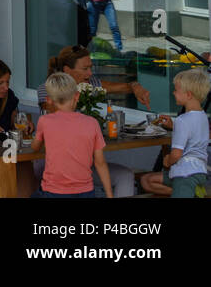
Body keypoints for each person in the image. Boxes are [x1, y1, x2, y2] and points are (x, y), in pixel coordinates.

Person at [37, 44, 149, 196]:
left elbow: (122, 87)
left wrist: (136, 86)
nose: (90, 73)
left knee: (125, 175)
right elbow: (56, 117)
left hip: (84, 165)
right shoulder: (47, 88)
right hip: (53, 165)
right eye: (85, 69)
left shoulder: (90, 84)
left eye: (91, 68)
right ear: (67, 70)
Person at [32, 72, 112, 198]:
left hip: (54, 190)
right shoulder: (92, 123)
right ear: (77, 96)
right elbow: (100, 163)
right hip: (85, 191)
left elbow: (35, 148)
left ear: (48, 100)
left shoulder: (45, 121)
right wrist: (109, 194)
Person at [138, 68, 209, 198]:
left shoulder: (183, 120)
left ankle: (185, 193)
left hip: (185, 175)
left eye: (176, 90)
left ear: (188, 95)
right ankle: (189, 193)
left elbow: (176, 155)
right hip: (199, 172)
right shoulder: (202, 116)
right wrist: (173, 125)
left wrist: (167, 161)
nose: (173, 93)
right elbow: (194, 132)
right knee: (146, 180)